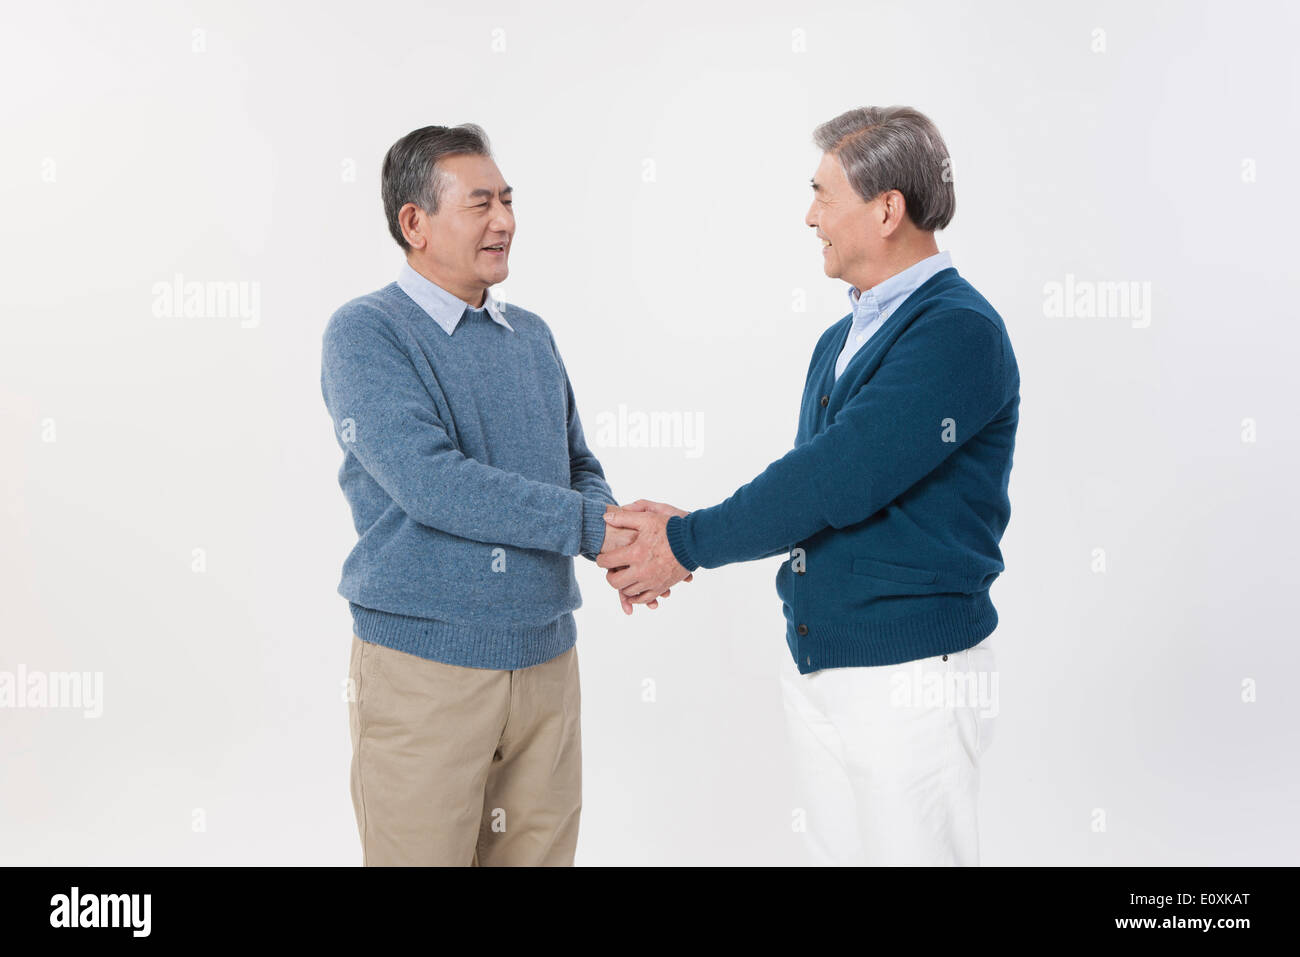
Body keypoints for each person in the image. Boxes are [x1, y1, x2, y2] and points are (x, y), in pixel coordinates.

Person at [599, 106, 1019, 866]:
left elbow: (838, 476)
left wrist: (685, 543)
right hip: (829, 667)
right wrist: (686, 532)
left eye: (824, 194)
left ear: (887, 209)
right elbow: (820, 491)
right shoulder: (842, 336)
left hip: (908, 677)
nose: (809, 216)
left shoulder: (958, 330)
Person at [320, 123, 678, 866]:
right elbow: (433, 483)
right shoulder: (366, 331)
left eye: (508, 201)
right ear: (413, 223)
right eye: (481, 203)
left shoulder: (533, 334)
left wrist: (612, 534)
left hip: (548, 663)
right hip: (426, 670)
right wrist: (595, 528)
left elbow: (576, 462)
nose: (505, 220)